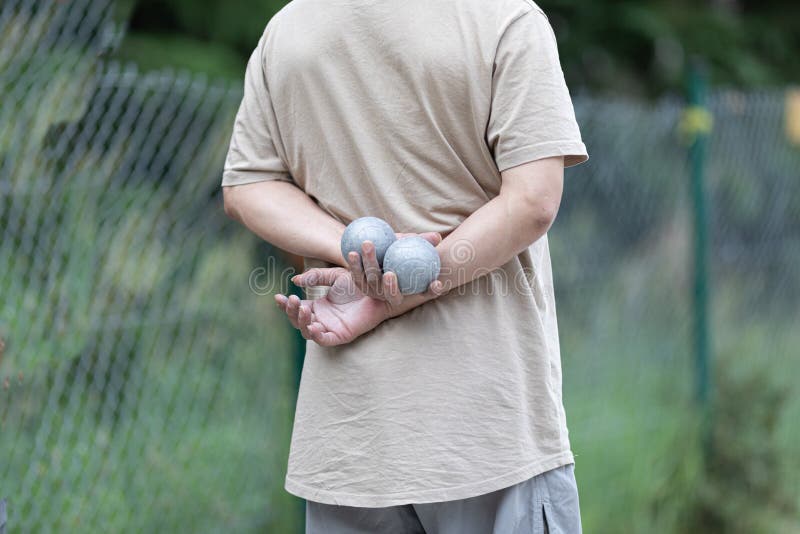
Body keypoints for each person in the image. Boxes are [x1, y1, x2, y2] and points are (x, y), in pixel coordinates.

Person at [221, 0, 588, 531]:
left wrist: (359, 260)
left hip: (349, 446)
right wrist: (391, 273)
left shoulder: (289, 30)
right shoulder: (503, 18)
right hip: (487, 434)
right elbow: (532, 203)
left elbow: (247, 186)